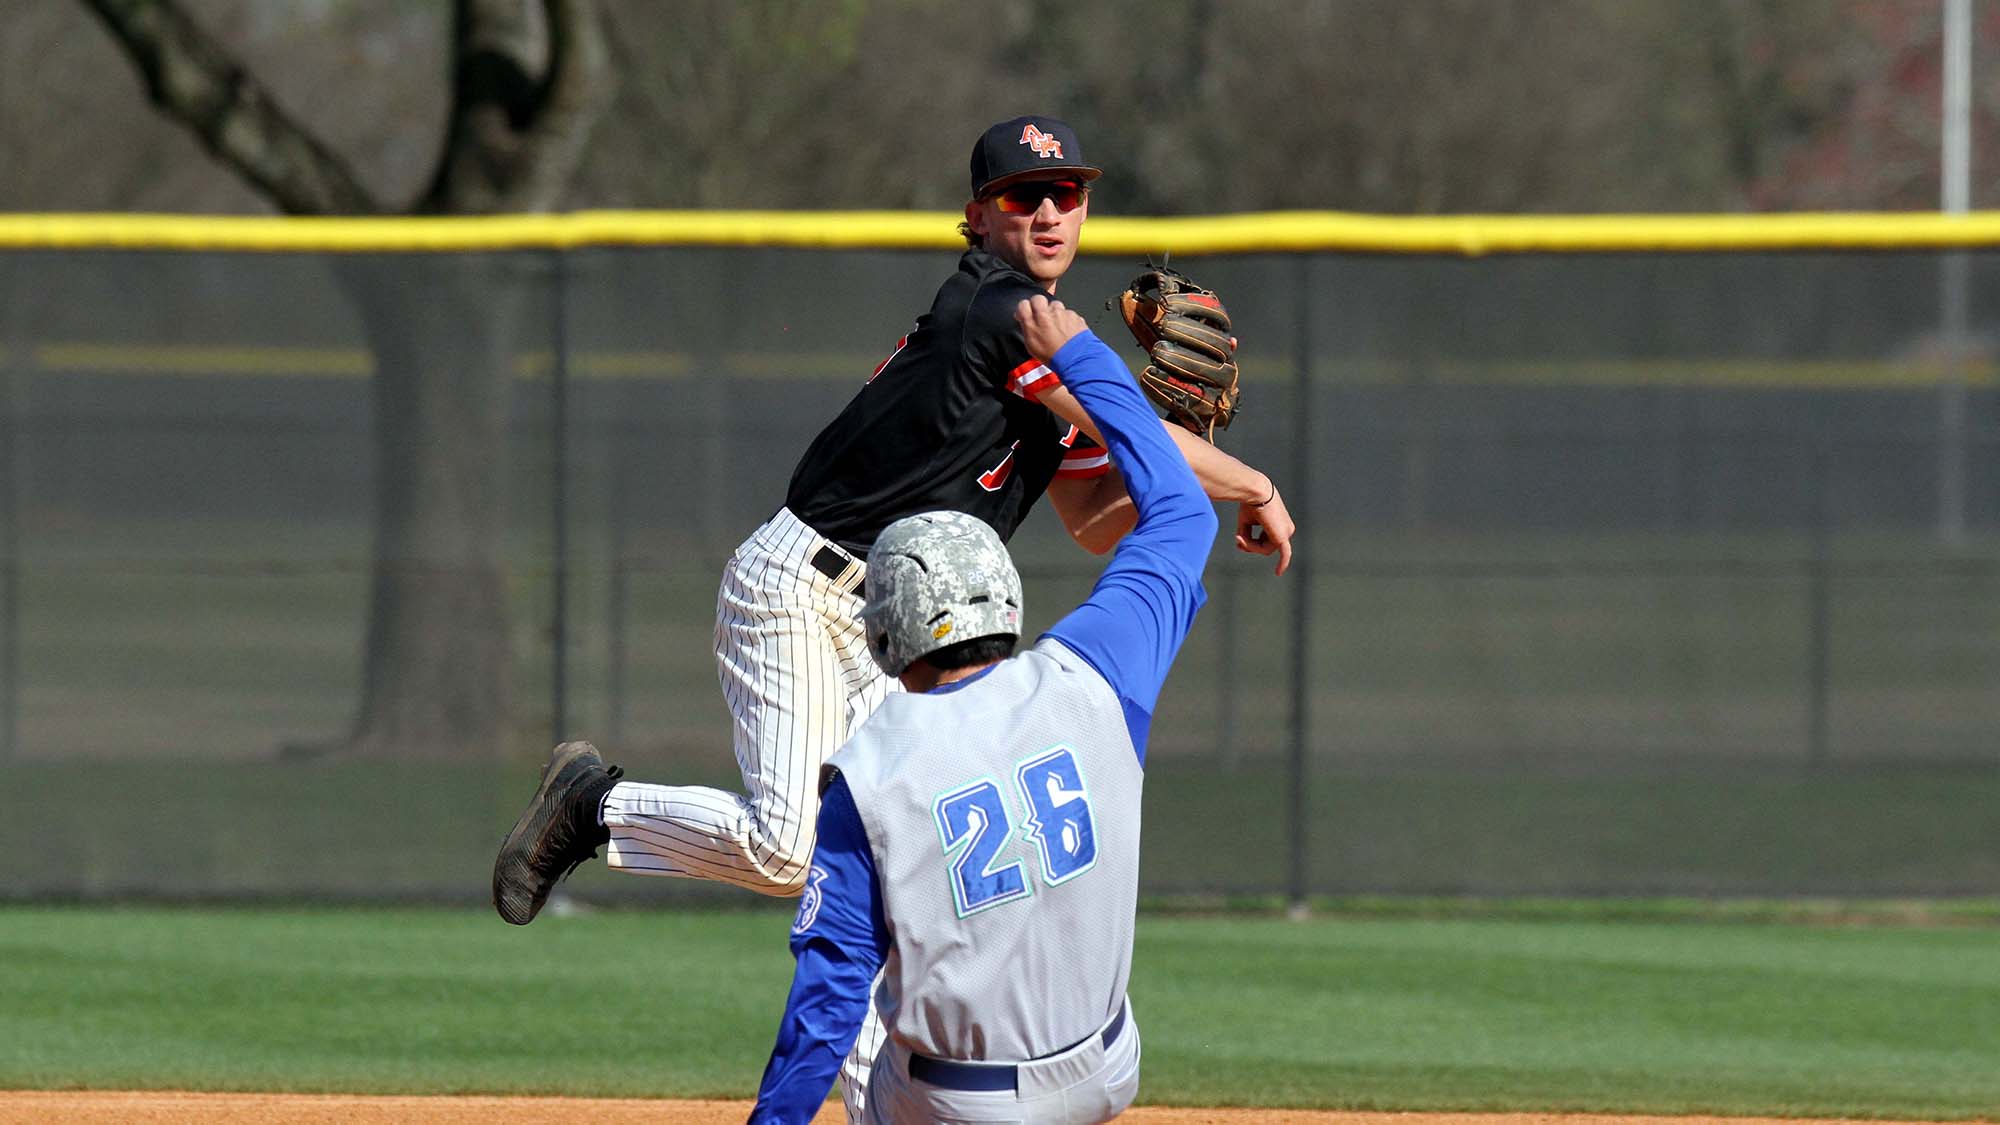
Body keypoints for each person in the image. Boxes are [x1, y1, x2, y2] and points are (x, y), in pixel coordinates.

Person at [491, 115, 1293, 1111]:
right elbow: (1115, 424)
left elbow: (1092, 516)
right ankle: (592, 806)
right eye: (1020, 196)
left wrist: (1173, 457)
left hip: (896, 632)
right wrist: (1245, 480)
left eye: (1065, 194)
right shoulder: (996, 310)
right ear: (977, 217)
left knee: (898, 872)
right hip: (796, 586)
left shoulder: (1054, 356)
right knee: (792, 848)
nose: (1046, 211)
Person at [749, 293, 1208, 1123]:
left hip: (960, 1105)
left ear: (885, 631)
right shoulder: (1091, 682)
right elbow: (1181, 513)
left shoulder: (869, 770)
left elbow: (829, 1002)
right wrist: (1088, 359)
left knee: (880, 1066)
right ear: (1005, 595)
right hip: (1108, 1071)